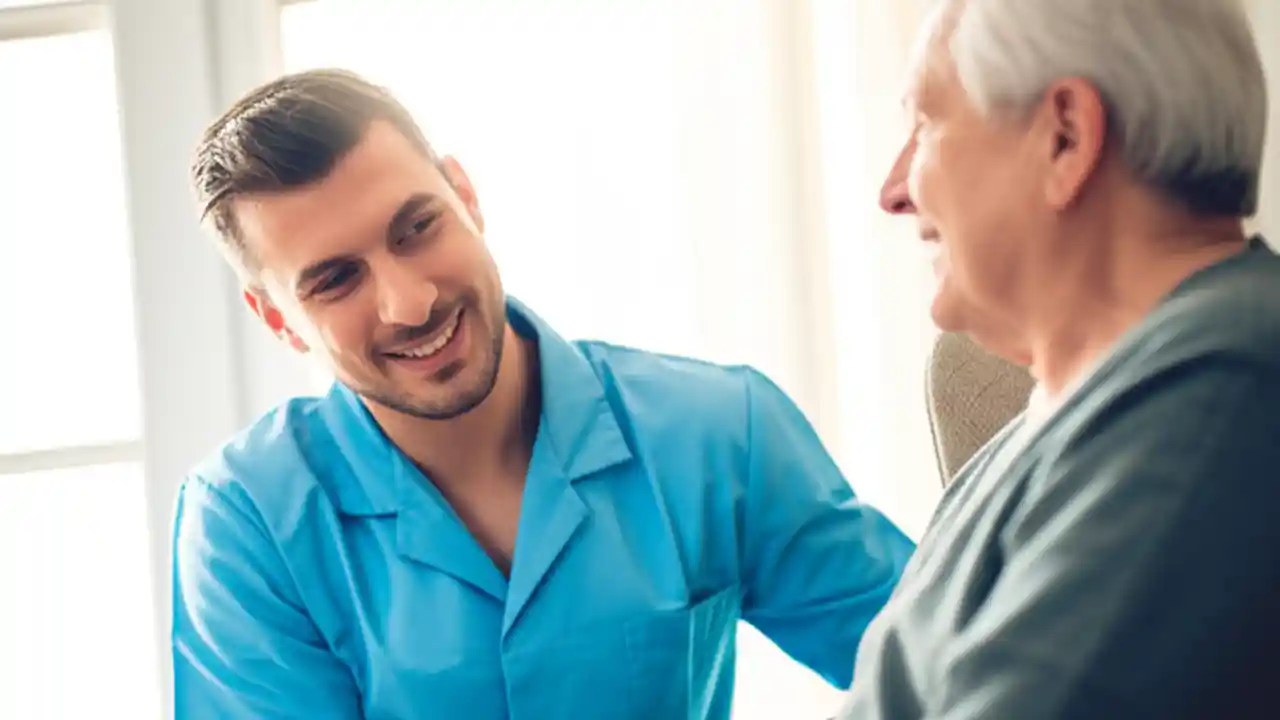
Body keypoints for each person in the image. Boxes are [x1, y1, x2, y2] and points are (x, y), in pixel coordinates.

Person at [171, 68, 913, 719]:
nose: (410, 300)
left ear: (465, 196)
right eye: (336, 280)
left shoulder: (719, 431)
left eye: (417, 227)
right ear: (278, 319)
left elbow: (950, 666)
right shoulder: (248, 523)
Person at [838, 0, 1280, 718]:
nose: (895, 190)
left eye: (925, 123)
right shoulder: (1050, 430)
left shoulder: (1224, 393)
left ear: (1066, 137)